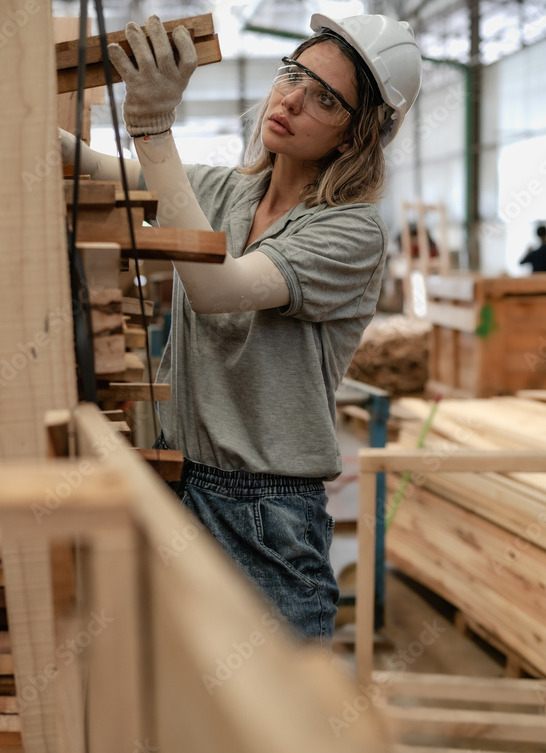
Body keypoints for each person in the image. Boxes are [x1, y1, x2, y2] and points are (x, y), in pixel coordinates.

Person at [62, 14, 421, 648]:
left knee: (275, 727)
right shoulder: (221, 191)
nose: (290, 100)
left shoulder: (352, 232)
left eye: (325, 99)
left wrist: (151, 127)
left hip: (265, 515)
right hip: (174, 485)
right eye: (295, 75)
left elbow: (216, 288)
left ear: (355, 136)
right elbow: (88, 167)